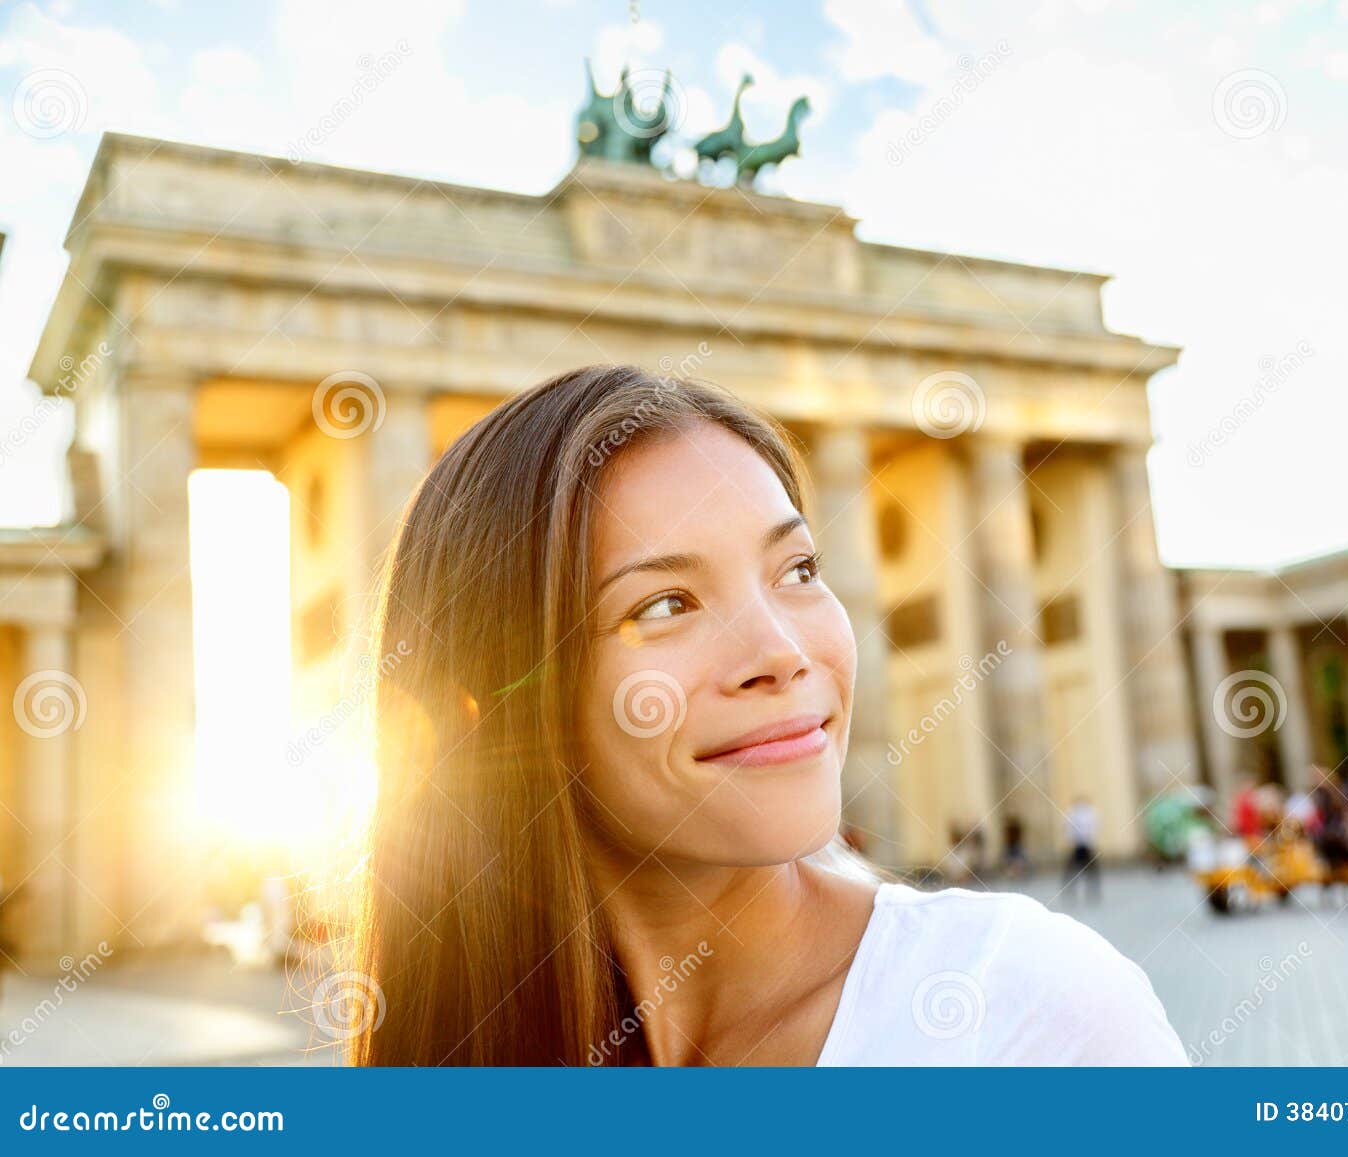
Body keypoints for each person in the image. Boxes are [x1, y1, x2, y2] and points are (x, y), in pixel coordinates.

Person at [347, 365, 1186, 1067]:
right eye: (667, 602)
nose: (782, 650)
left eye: (797, 567)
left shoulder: (1029, 1016)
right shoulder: (456, 1049)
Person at [1061, 796, 1101, 903]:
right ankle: (1092, 893)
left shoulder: (1073, 812)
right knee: (1088, 871)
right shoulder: (1088, 812)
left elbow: (1066, 827)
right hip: (1083, 845)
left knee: (1074, 871)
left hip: (1080, 845)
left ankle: (1072, 892)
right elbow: (1094, 827)